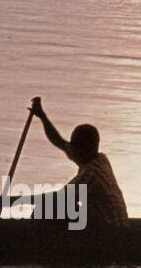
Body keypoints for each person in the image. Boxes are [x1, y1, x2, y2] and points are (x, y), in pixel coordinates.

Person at [25, 96, 129, 227]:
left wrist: (15, 201)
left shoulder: (92, 173)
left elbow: (59, 197)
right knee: (62, 207)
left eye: (75, 145)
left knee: (47, 207)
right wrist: (42, 116)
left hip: (110, 234)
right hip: (106, 224)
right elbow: (59, 141)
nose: (71, 148)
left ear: (87, 147)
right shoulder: (100, 158)